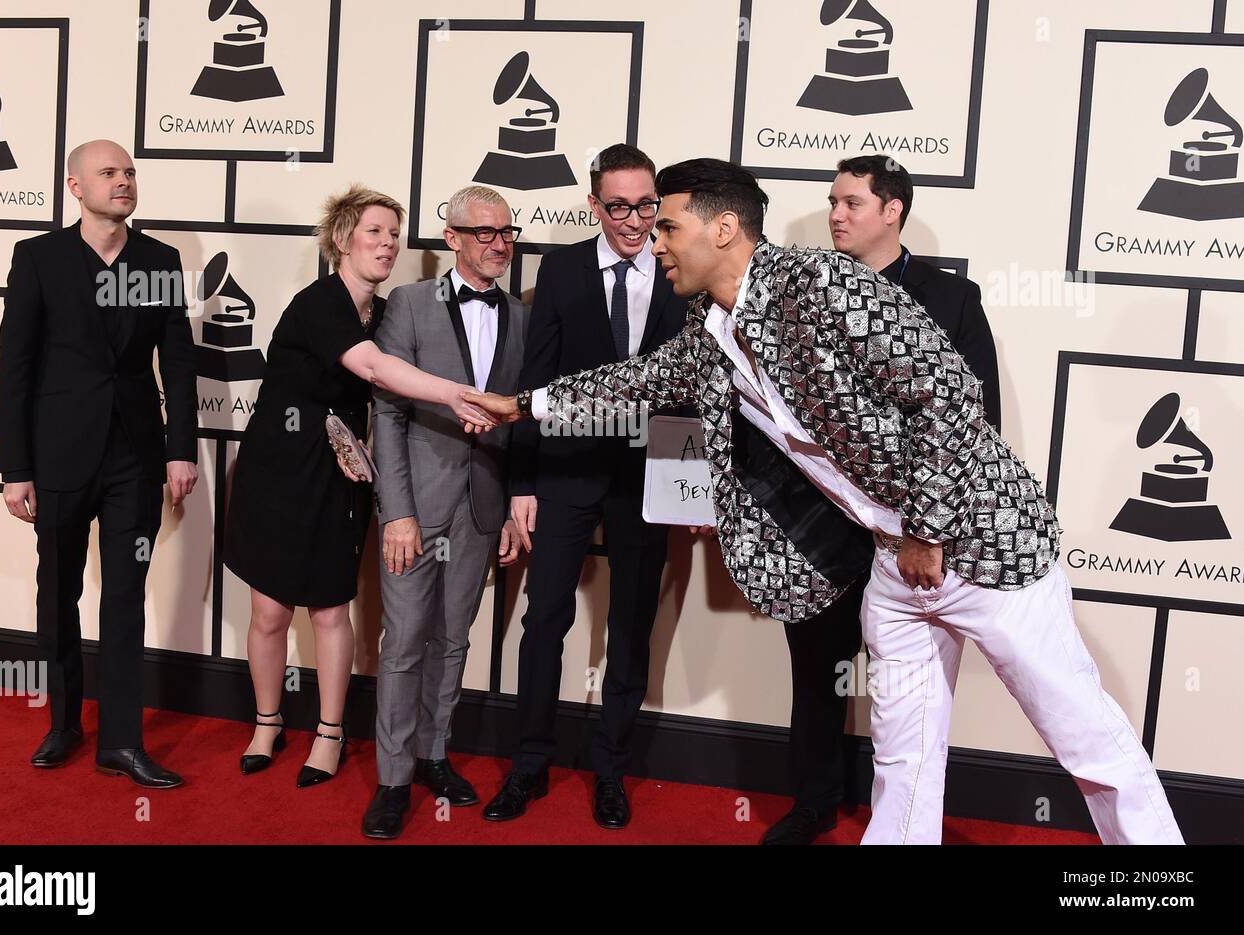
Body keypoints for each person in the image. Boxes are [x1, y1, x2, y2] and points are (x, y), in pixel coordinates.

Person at [468, 158, 1184, 845]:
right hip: (893, 563)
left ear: (723, 230)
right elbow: (638, 380)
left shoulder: (819, 283)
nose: (653, 245)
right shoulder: (709, 330)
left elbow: (948, 389)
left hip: (982, 544)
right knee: (903, 760)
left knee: (1083, 736)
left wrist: (928, 531)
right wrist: (523, 405)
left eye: (668, 228)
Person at [759, 154, 1004, 845]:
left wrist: (942, 525)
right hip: (823, 520)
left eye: (851, 203)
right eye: (832, 202)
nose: (835, 214)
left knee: (912, 690)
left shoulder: (952, 298)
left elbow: (975, 420)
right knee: (816, 668)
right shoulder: (803, 292)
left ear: (892, 210)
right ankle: (813, 800)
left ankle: (901, 817)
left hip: (913, 530)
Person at [223, 185, 494, 789]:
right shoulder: (320, 302)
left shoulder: (384, 311)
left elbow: (376, 396)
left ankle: (328, 733)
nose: (388, 244)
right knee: (268, 610)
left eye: (394, 234)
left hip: (336, 476)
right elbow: (372, 370)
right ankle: (266, 724)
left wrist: (367, 443)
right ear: (344, 239)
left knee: (329, 608)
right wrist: (453, 392)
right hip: (276, 473)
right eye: (374, 231)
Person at [482, 144, 689, 830]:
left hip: (648, 478)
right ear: (594, 204)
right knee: (544, 620)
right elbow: (534, 382)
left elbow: (692, 390)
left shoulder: (678, 264)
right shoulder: (563, 268)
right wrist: (522, 481)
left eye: (647, 204)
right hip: (565, 471)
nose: (635, 221)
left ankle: (611, 769)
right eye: (620, 205)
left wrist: (691, 490)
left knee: (630, 625)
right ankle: (529, 763)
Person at [0, 139, 198, 788]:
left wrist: (180, 450)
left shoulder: (159, 260)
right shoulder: (39, 258)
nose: (123, 181)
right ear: (75, 186)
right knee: (57, 594)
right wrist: (15, 465)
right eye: (108, 173)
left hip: (134, 458)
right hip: (56, 457)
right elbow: (17, 367)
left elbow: (180, 363)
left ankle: (121, 740)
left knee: (124, 599)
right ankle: (63, 723)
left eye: (129, 172)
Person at [361, 186, 526, 839]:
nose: (498, 243)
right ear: (452, 237)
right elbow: (388, 412)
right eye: (483, 232)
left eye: (507, 232)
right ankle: (393, 777)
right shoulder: (406, 304)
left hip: (481, 505)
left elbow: (520, 425)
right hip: (416, 506)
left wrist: (514, 504)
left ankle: (433, 754)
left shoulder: (522, 315)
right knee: (402, 643)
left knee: (453, 638)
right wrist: (395, 511)